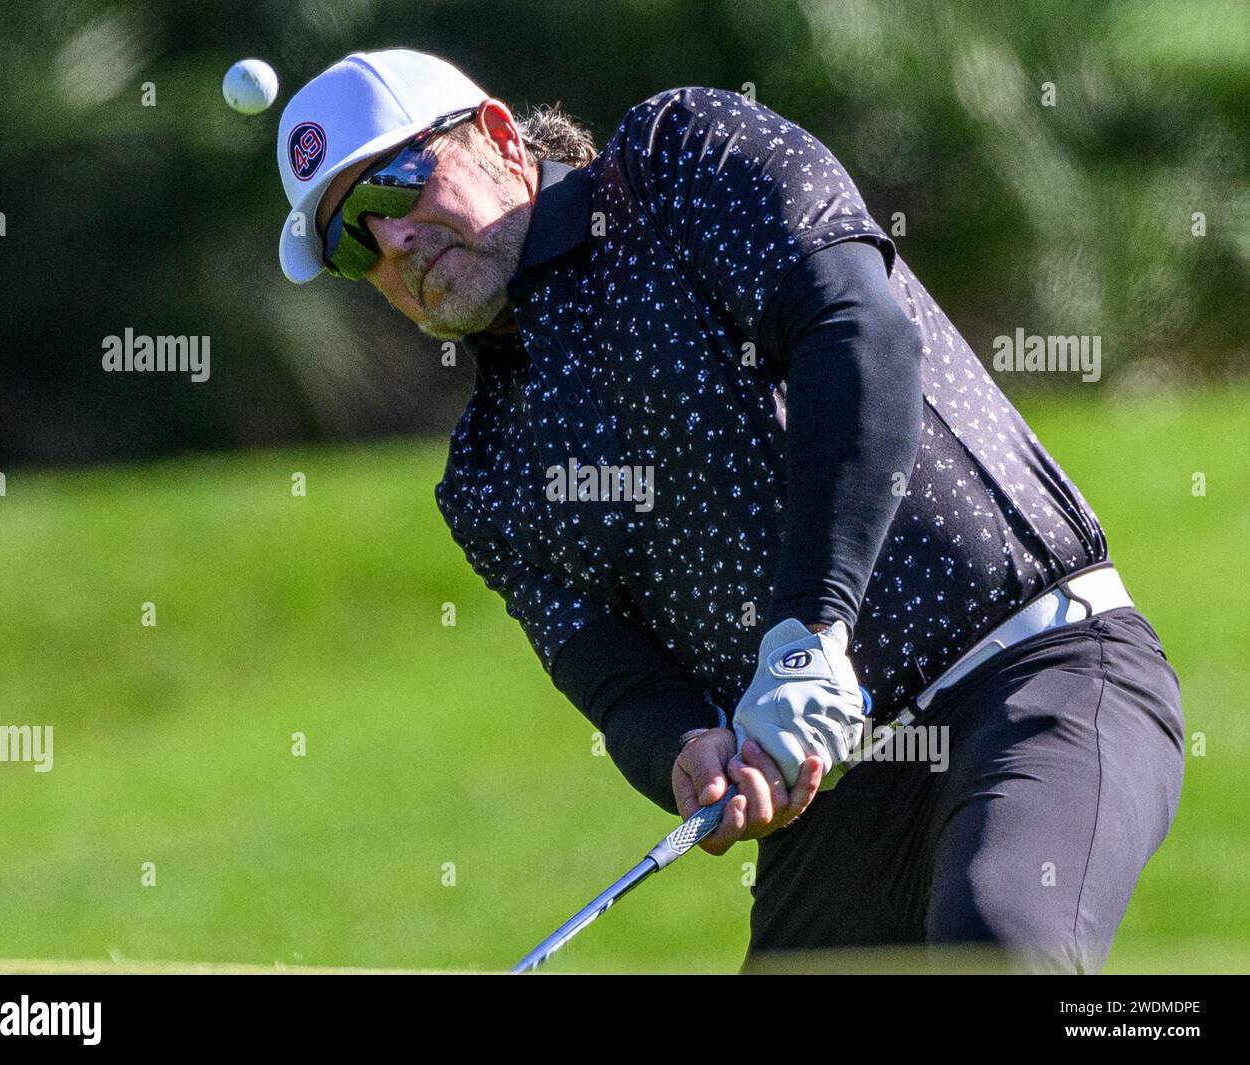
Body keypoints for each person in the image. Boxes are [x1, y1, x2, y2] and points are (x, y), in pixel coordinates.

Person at [276, 49, 1185, 973]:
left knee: (1001, 942)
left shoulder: (677, 161)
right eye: (349, 240)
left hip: (1035, 670)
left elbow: (857, 337)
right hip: (835, 794)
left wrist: (808, 633)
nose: (389, 243)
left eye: (394, 188)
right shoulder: (485, 478)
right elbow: (621, 682)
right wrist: (687, 752)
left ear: (500, 138)